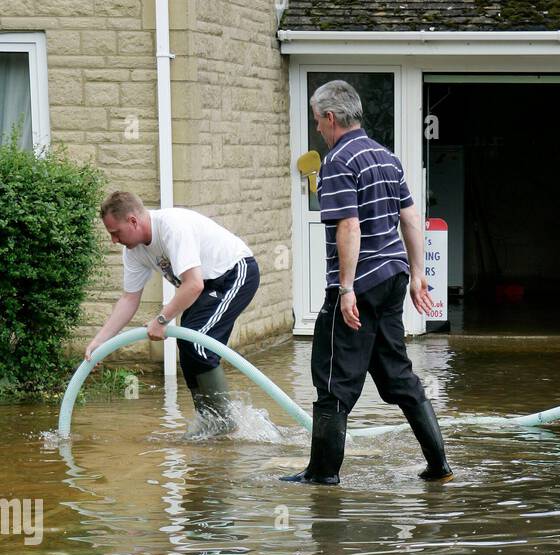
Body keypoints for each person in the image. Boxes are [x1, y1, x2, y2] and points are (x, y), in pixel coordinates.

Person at [283, 80, 452, 485]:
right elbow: (411, 219)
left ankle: (322, 476)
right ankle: (439, 467)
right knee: (397, 376)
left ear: (329, 117)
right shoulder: (386, 157)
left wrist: (345, 289)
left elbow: (349, 226)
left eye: (317, 123)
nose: (318, 131)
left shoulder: (339, 160)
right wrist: (417, 275)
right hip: (393, 278)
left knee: (331, 379)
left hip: (360, 284)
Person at [86, 192, 260, 438]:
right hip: (204, 285)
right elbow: (129, 299)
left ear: (133, 221)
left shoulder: (172, 227)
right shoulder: (134, 251)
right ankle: (210, 420)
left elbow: (193, 285)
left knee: (197, 344)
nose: (114, 240)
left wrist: (161, 320)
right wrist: (100, 341)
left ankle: (224, 422)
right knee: (188, 346)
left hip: (234, 273)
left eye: (116, 232)